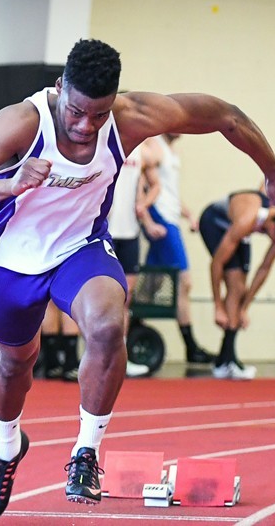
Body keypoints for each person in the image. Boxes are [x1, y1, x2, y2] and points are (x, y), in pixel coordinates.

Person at [0, 38, 275, 522]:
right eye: (78, 111)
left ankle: (86, 452)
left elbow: (224, 115)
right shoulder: (20, 122)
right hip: (14, 259)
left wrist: (271, 169)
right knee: (14, 364)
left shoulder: (130, 118)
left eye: (98, 115)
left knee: (107, 326)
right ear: (60, 87)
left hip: (79, 249)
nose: (86, 126)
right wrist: (9, 182)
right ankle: (5, 451)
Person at [198, 191, 275, 380]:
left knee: (241, 290)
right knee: (235, 285)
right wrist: (218, 307)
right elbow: (216, 264)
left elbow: (264, 269)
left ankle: (223, 360)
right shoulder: (247, 220)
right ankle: (228, 360)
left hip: (236, 229)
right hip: (214, 221)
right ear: (272, 227)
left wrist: (245, 308)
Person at [141, 133, 216, 365]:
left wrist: (188, 214)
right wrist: (149, 218)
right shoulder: (154, 146)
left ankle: (133, 324)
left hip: (171, 216)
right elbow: (144, 184)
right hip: (161, 218)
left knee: (151, 281)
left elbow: (169, 191)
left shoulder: (173, 152)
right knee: (184, 281)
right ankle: (191, 346)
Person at [108, 137, 165, 377]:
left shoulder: (142, 152)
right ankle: (97, 355)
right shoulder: (105, 145)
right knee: (103, 299)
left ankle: (120, 358)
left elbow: (156, 185)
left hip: (129, 233)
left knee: (125, 298)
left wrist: (144, 209)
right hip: (105, 232)